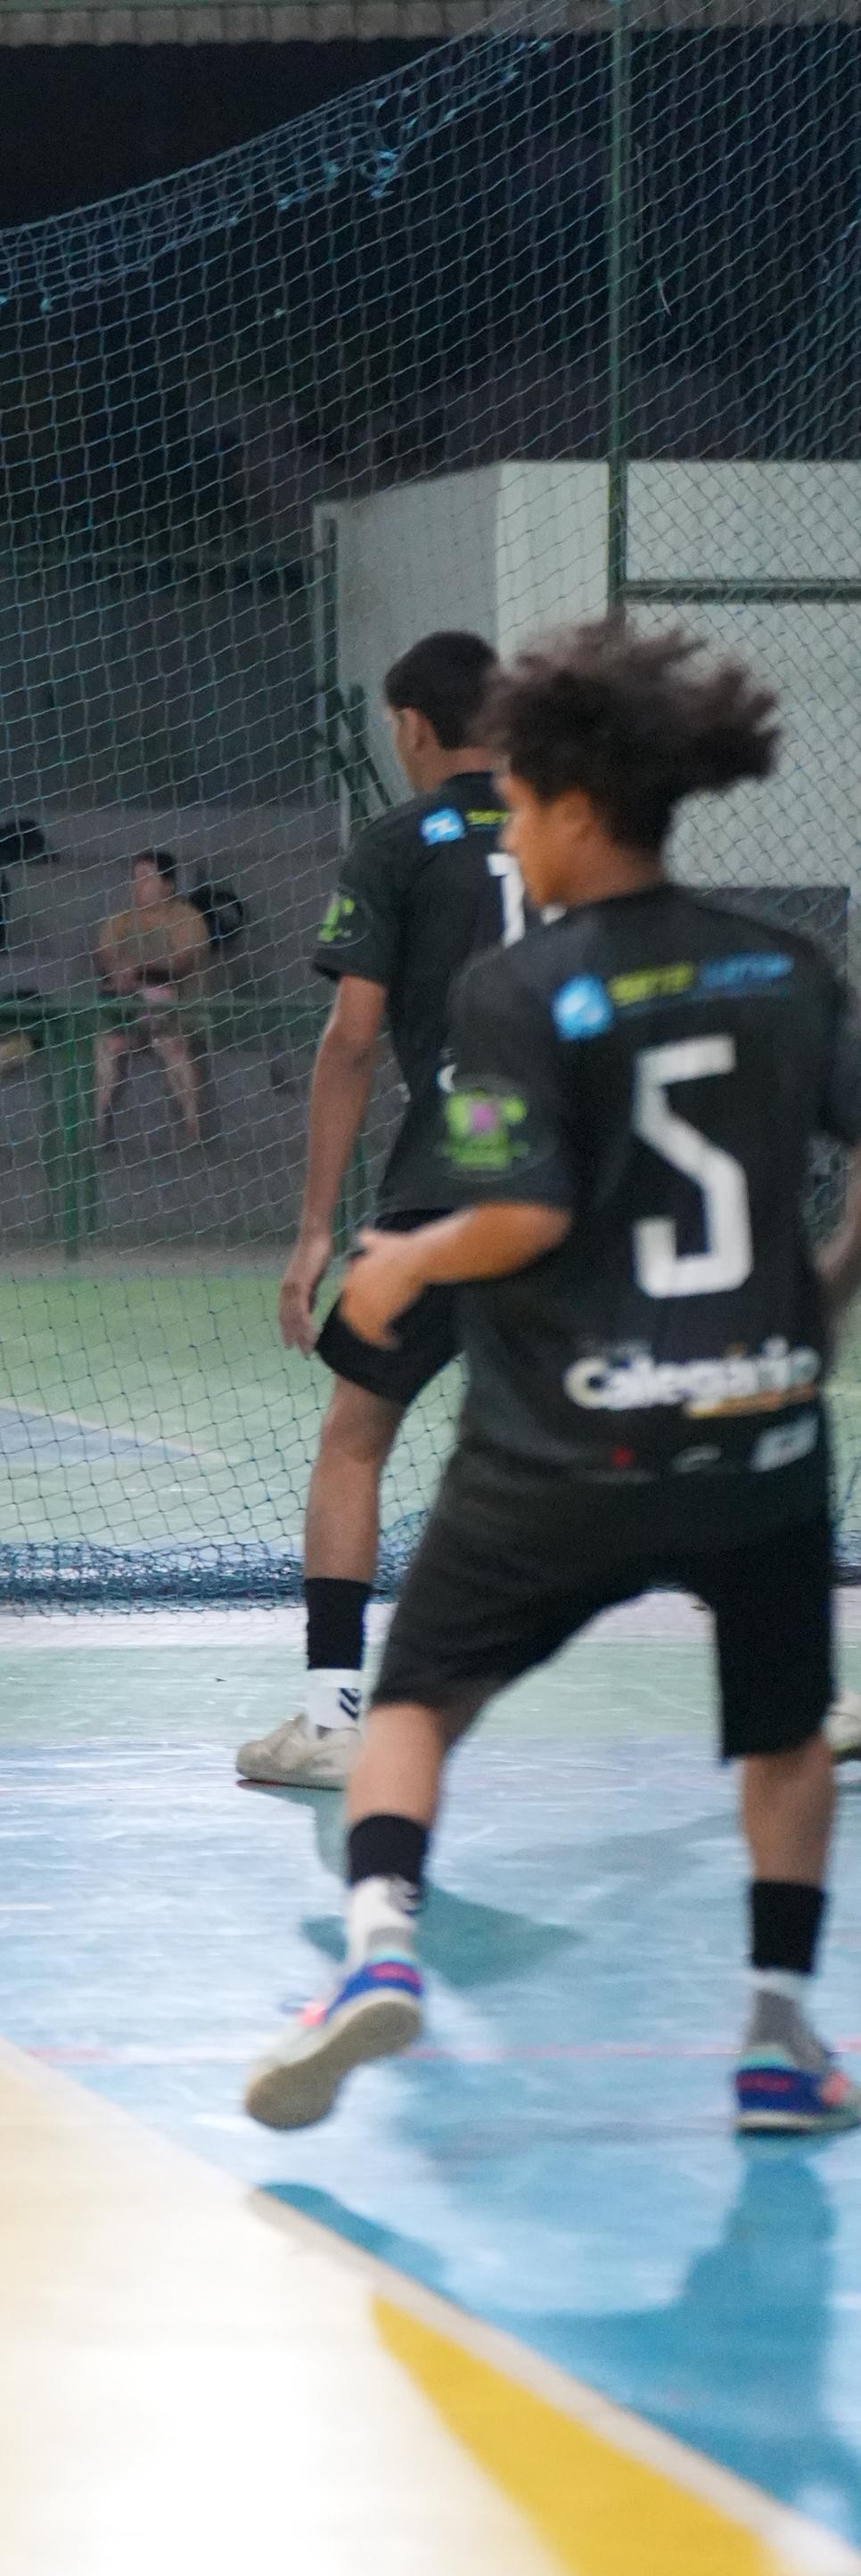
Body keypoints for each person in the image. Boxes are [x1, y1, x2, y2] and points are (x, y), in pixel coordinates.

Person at [243, 621, 861, 2145]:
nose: (504, 834)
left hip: (563, 1441)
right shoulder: (784, 968)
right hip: (755, 1433)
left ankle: (374, 1949)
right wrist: (817, 1296)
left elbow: (516, 1216)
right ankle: (776, 2036)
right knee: (784, 1735)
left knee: (411, 1705)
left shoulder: (520, 990)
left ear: (578, 808)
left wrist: (405, 1255)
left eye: (519, 806)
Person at [239, 629, 519, 1790]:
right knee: (655, 1437)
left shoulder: (398, 842)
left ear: (408, 727)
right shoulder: (575, 826)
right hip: (582, 1188)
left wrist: (314, 1228)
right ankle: (801, 1684)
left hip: (447, 1187)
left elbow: (351, 1040)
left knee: (355, 1438)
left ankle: (330, 1718)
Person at [93, 852, 208, 1141]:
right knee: (106, 1046)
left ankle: (193, 1122)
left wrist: (139, 969)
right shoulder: (120, 920)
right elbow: (104, 955)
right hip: (129, 1011)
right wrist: (118, 970)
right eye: (136, 879)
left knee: (173, 1047)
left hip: (175, 1013)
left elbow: (181, 962)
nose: (138, 885)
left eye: (146, 878)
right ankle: (98, 1124)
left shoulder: (187, 918)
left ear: (168, 884)